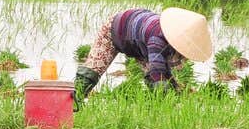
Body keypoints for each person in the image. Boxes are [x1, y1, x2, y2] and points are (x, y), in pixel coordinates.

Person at [74, 6, 213, 107]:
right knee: (91, 73)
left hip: (140, 40)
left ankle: (160, 110)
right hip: (115, 29)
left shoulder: (170, 39)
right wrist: (169, 101)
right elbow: (156, 72)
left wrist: (177, 89)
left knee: (161, 79)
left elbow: (163, 69)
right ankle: (71, 104)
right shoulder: (157, 39)